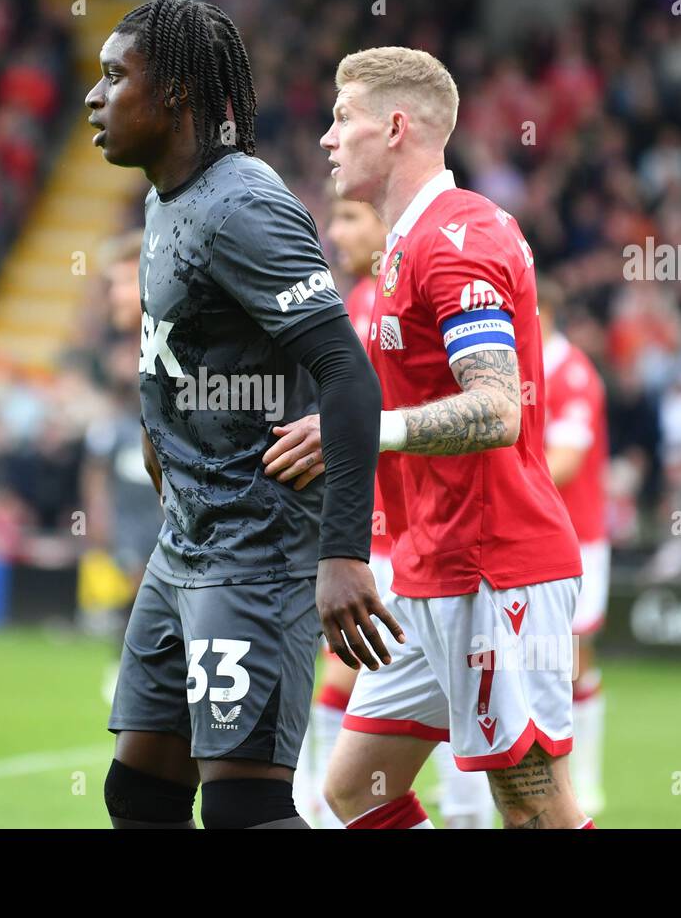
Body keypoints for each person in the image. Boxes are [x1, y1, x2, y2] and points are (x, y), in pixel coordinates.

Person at [84, 0, 389, 829]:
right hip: (184, 544)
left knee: (244, 810)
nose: (94, 96)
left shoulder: (244, 207)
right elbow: (177, 354)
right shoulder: (161, 200)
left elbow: (347, 374)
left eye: (116, 76)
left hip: (256, 552)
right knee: (139, 794)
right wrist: (160, 446)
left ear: (177, 93)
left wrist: (342, 555)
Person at [267, 47, 591, 828]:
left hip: (495, 565)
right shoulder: (403, 249)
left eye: (343, 118)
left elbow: (496, 408)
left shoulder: (458, 236)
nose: (326, 138)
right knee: (353, 786)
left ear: (397, 127)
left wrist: (362, 429)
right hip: (428, 569)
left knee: (531, 802)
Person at [280, 194, 492, 828]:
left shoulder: (409, 294)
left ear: (387, 226)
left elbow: (491, 411)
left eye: (349, 219)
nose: (335, 233)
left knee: (512, 766)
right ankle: (317, 804)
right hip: (384, 536)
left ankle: (456, 813)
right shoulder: (352, 307)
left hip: (439, 543)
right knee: (363, 736)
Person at [539, 286, 611, 815]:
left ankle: (585, 780)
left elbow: (564, 462)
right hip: (536, 536)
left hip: (578, 538)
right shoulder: (518, 367)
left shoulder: (573, 374)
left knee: (574, 661)